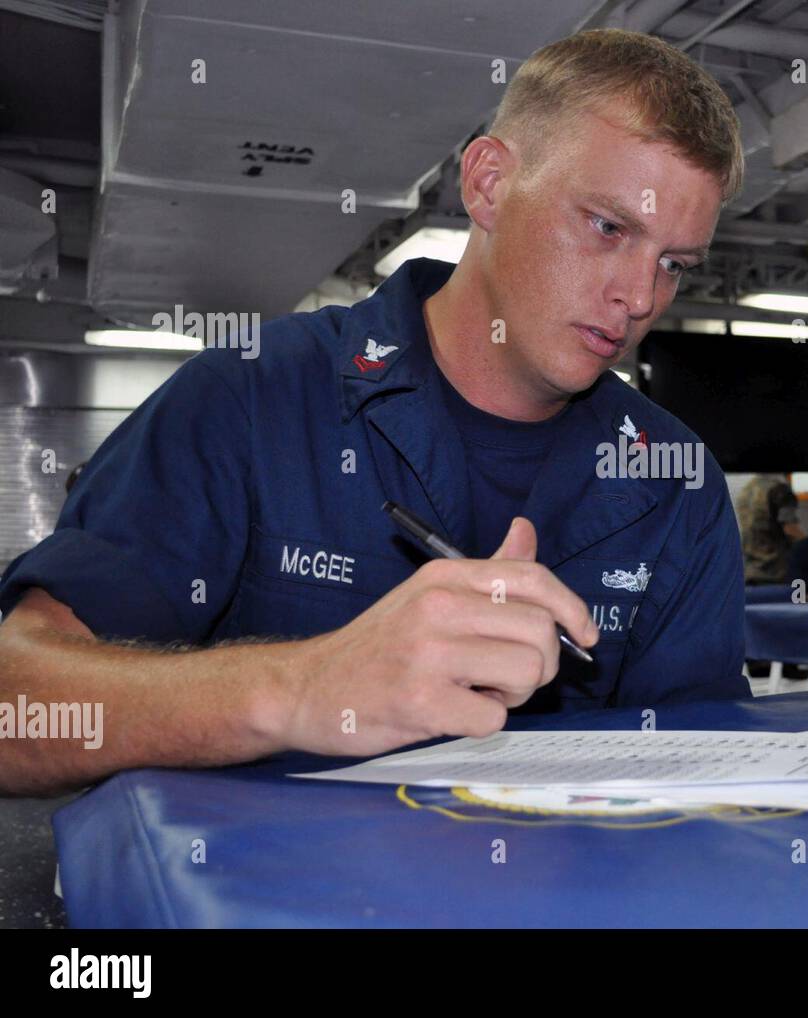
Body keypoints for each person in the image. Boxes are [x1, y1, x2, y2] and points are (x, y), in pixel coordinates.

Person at [0, 28, 747, 796]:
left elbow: (704, 773)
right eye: (609, 227)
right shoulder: (251, 399)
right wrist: (299, 689)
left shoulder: (675, 485)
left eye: (673, 264)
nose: (641, 297)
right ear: (488, 183)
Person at [736, 475, 803, 585]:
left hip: (750, 573)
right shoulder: (780, 490)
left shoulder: (747, 489)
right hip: (777, 574)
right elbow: (791, 530)